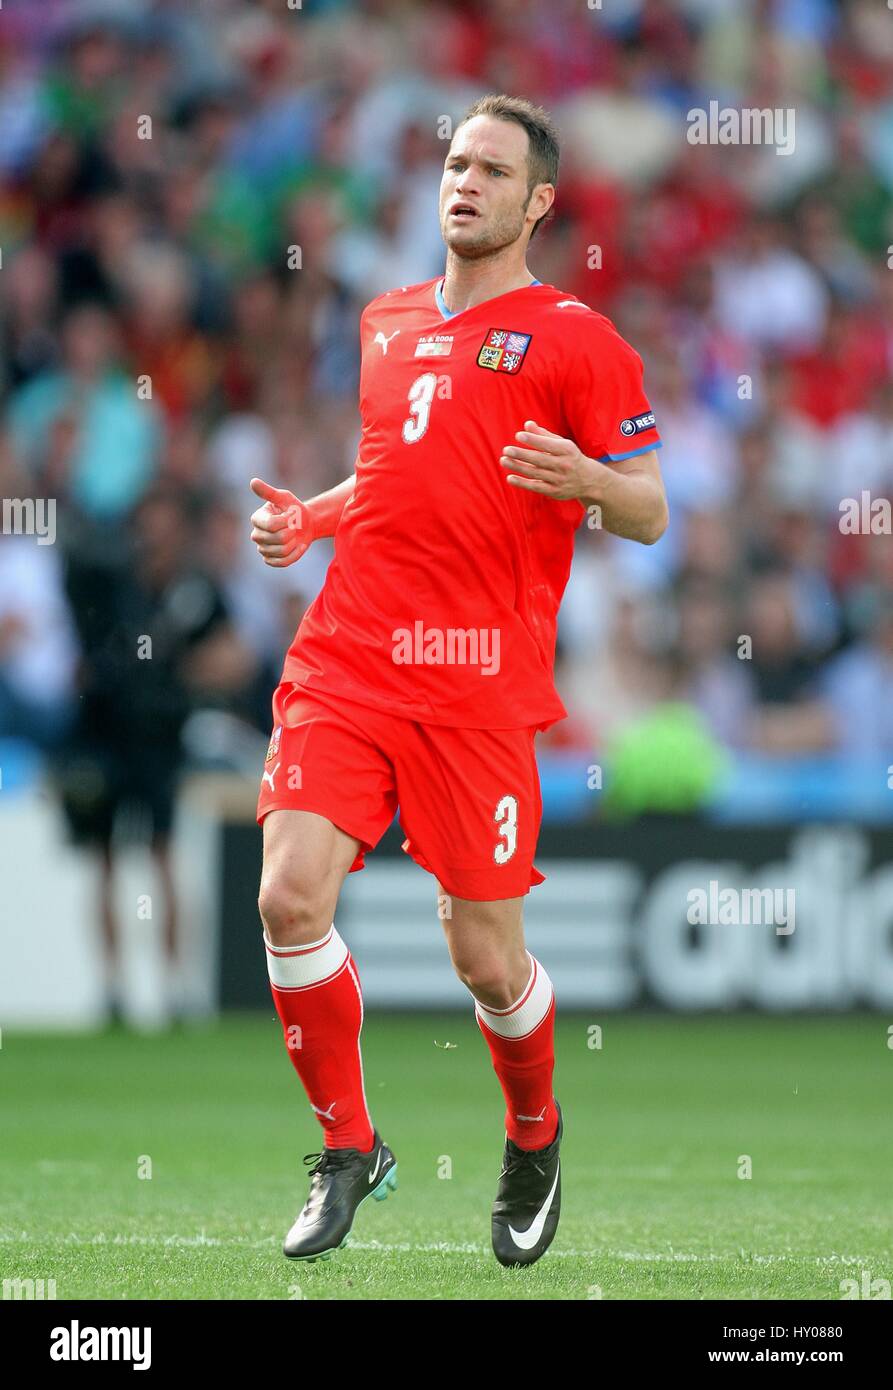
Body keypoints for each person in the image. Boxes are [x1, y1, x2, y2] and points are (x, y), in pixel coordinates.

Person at [248, 94, 668, 1268]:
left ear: (537, 202)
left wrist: (585, 471)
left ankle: (532, 1134)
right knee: (288, 894)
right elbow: (396, 472)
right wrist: (314, 517)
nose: (463, 183)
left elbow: (647, 509)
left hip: (478, 688)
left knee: (485, 958)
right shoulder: (386, 321)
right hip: (350, 658)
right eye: (452, 162)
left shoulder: (578, 338)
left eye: (491, 169)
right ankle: (347, 1147)